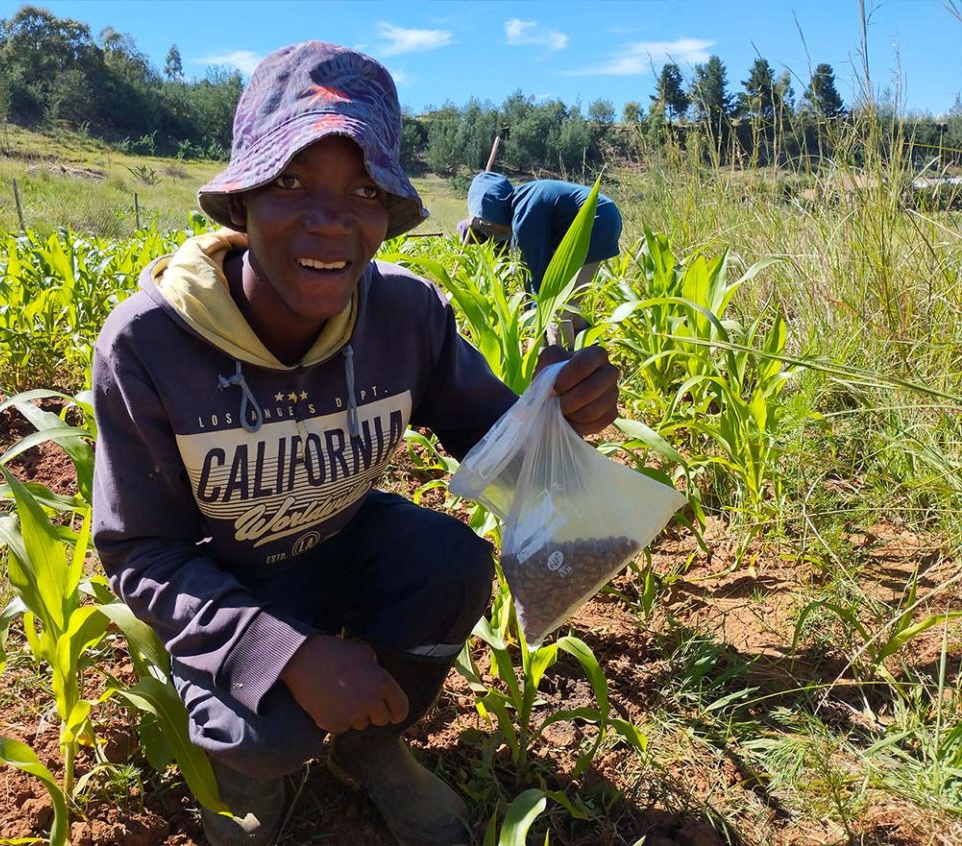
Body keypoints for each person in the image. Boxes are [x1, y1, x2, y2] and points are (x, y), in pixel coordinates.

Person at [91, 41, 620, 846]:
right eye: (291, 182)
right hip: (226, 577)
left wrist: (557, 417)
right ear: (241, 202)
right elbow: (142, 554)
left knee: (451, 566)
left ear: (387, 213)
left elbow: (493, 441)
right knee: (271, 734)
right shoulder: (151, 345)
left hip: (338, 536)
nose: (330, 217)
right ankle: (246, 771)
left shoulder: (405, 315)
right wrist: (288, 653)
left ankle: (372, 749)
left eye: (365, 189)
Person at [460, 172, 623, 345]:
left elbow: (542, 277)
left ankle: (563, 364)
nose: (492, 231)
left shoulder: (524, 217)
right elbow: (531, 272)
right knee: (569, 305)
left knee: (557, 307)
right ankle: (591, 347)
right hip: (602, 214)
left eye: (489, 224)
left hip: (596, 220)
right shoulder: (521, 202)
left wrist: (534, 326)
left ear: (495, 212)